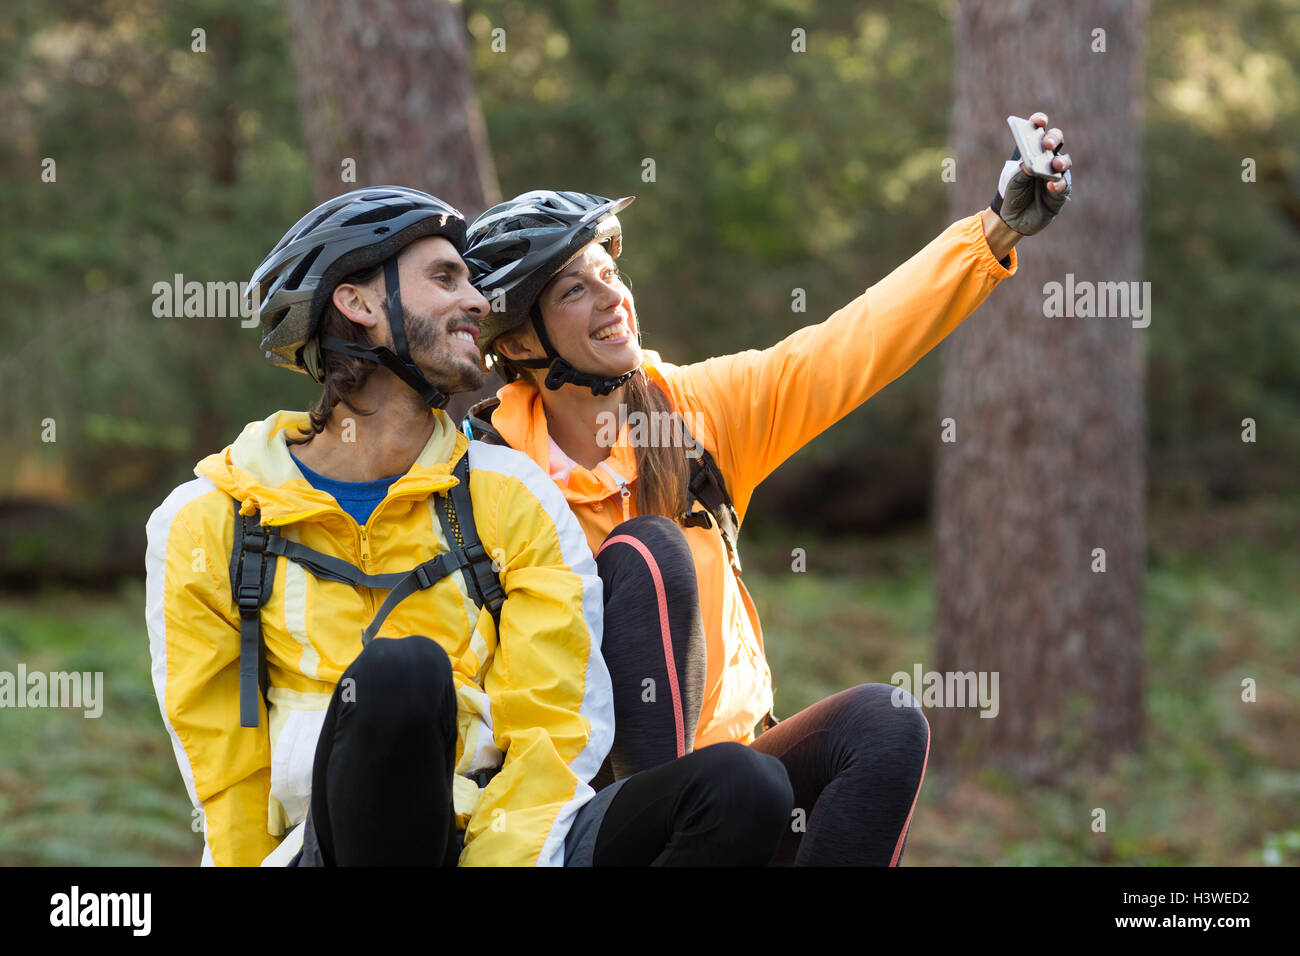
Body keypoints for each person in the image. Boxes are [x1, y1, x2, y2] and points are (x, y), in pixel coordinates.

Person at [463, 113, 1074, 865]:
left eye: (609, 272)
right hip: (582, 814)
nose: (611, 296)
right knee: (651, 556)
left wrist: (992, 233)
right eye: (573, 291)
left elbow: (851, 345)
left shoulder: (695, 419)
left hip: (742, 784)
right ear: (520, 343)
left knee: (885, 722)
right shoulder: (485, 479)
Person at [145, 185, 792, 867]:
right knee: (403, 673)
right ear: (358, 303)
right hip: (325, 850)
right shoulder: (207, 522)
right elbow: (224, 773)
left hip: (507, 844)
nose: (478, 302)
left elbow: (553, 732)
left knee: (740, 784)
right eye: (445, 278)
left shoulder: (510, 493)